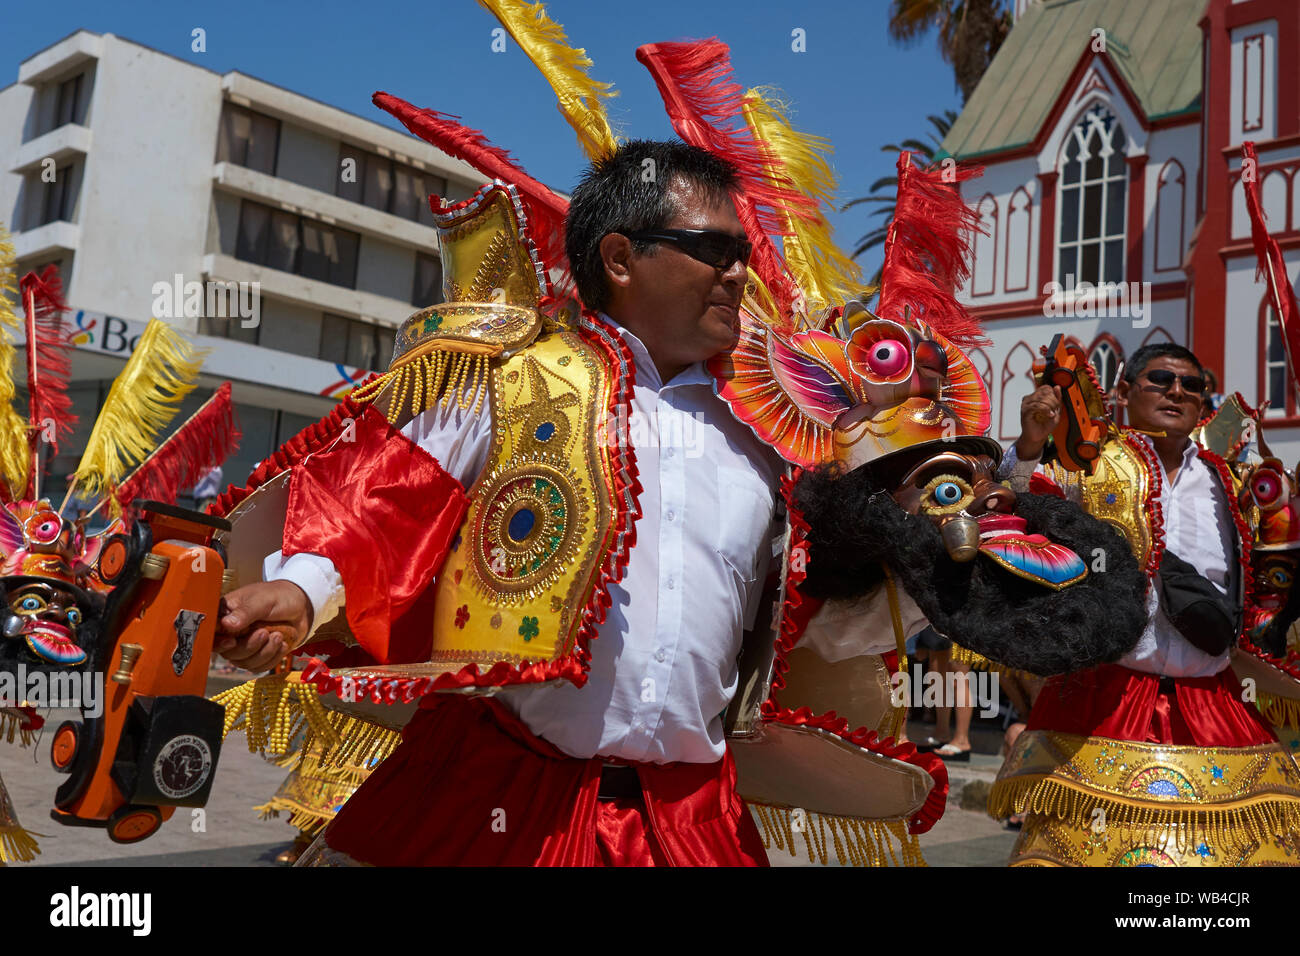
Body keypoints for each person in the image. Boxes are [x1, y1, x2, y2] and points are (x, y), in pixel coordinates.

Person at [215, 141, 785, 866]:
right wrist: (300, 590)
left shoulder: (769, 430)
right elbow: (385, 495)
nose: (739, 273)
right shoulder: (513, 380)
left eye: (745, 253)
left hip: (693, 827)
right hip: (508, 806)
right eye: (714, 248)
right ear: (619, 258)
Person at [991, 343, 1300, 866]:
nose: (1177, 391)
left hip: (1212, 699)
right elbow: (1009, 508)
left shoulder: (1230, 481)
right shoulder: (1085, 463)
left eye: (1192, 385)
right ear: (1124, 392)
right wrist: (1029, 442)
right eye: (1160, 379)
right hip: (1101, 696)